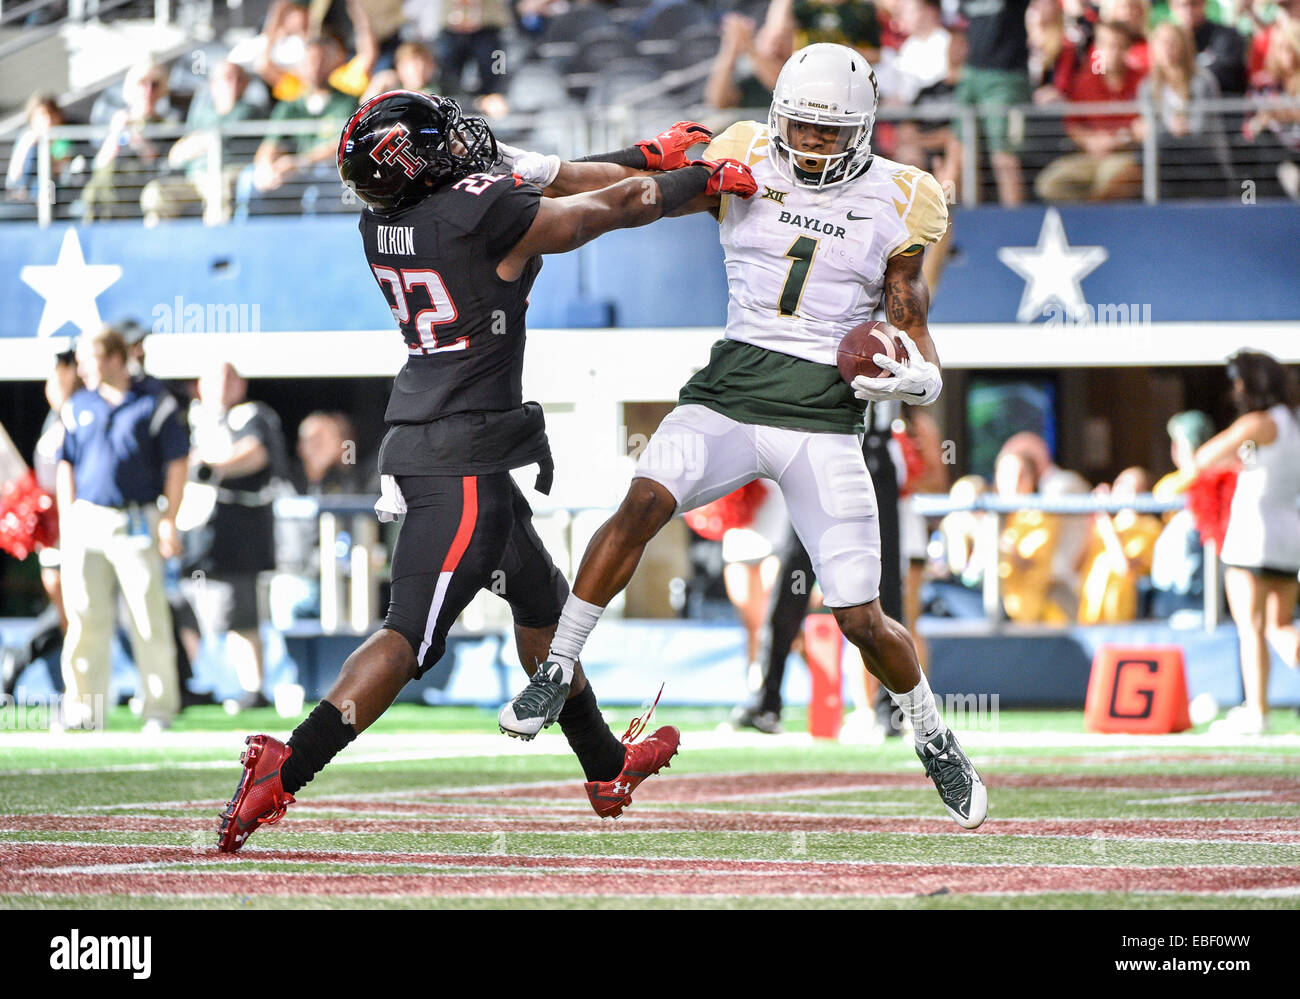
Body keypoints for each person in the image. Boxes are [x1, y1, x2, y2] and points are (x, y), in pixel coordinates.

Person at [216, 93, 760, 850]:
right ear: (416, 162)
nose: (460, 141)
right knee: (409, 635)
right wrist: (700, 178)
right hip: (459, 461)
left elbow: (561, 181)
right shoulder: (476, 209)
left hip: (447, 443)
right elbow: (612, 206)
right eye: (439, 138)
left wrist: (648, 157)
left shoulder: (385, 220)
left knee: (543, 605)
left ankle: (606, 766)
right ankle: (288, 766)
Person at [501, 44, 989, 830]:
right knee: (640, 503)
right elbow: (636, 186)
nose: (813, 143)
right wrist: (548, 170)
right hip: (729, 392)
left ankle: (932, 734)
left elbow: (912, 314)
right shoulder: (745, 153)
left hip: (823, 416)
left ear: (864, 130)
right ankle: (558, 667)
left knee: (861, 617)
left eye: (831, 131)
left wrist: (920, 377)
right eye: (802, 125)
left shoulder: (901, 196)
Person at [56, 328, 188, 730]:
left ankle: (158, 708)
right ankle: (84, 710)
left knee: (148, 617)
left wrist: (169, 518)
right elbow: (66, 464)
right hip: (86, 518)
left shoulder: (155, 401)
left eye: (89, 358)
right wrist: (67, 519)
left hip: (137, 518)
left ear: (115, 358)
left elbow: (177, 463)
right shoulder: (77, 404)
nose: (81, 367)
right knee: (84, 618)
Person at [1194, 351, 1300, 735]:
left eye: (1239, 382)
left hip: (1254, 531)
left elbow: (1203, 458)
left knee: (1250, 627)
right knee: (1279, 626)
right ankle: (1256, 709)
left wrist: (1235, 459)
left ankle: (1257, 711)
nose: (1236, 390)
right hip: (1291, 532)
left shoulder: (1257, 422)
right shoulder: (1295, 422)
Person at [177, 364, 290, 712]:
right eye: (214, 379)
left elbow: (255, 453)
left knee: (238, 613)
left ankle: (253, 689)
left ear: (242, 385)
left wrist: (213, 467)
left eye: (229, 379)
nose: (222, 387)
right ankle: (192, 684)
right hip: (193, 533)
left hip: (237, 534)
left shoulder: (253, 415)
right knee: (185, 609)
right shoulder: (191, 420)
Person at [1, 348, 82, 695]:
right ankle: (66, 682)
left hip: (75, 522)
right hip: (57, 526)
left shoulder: (79, 414)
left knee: (80, 607)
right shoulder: (57, 418)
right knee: (67, 604)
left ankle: (23, 660)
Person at [1034, 20, 1147, 201]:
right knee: (1050, 184)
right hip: (1091, 156)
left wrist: (1122, 139)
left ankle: (1096, 210)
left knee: (1116, 179)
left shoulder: (1141, 81)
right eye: (1107, 45)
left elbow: (1144, 127)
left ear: (1127, 48)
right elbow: (1072, 124)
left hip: (1126, 156)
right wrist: (1090, 140)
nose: (1112, 51)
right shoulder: (1086, 80)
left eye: (1118, 45)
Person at [140, 62, 262, 225]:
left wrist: (200, 143)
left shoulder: (251, 111)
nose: (233, 83)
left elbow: (216, 139)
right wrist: (196, 145)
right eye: (227, 78)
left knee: (219, 191)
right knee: (156, 193)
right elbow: (179, 153)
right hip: (195, 178)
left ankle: (215, 238)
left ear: (246, 83)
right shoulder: (201, 113)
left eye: (239, 79)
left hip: (226, 175)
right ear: (213, 84)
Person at [1136, 21, 1234, 197]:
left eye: (1172, 42)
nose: (1167, 48)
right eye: (1161, 43)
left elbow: (1199, 129)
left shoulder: (1203, 81)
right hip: (1166, 163)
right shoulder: (1147, 86)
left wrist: (1162, 129)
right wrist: (1170, 129)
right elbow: (1147, 129)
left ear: (1184, 46)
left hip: (1205, 161)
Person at [1150, 409, 1215, 616]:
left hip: (1197, 596)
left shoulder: (1217, 476)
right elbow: (1162, 494)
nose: (1175, 449)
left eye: (1180, 443)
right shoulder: (1173, 482)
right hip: (1171, 591)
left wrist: (1199, 460)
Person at [1077, 466, 1163, 623]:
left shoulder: (1150, 528)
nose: (1123, 491)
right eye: (1120, 484)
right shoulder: (1103, 526)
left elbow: (1123, 567)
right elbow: (1077, 566)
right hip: (1090, 612)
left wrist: (1103, 517)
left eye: (1132, 487)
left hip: (1121, 615)